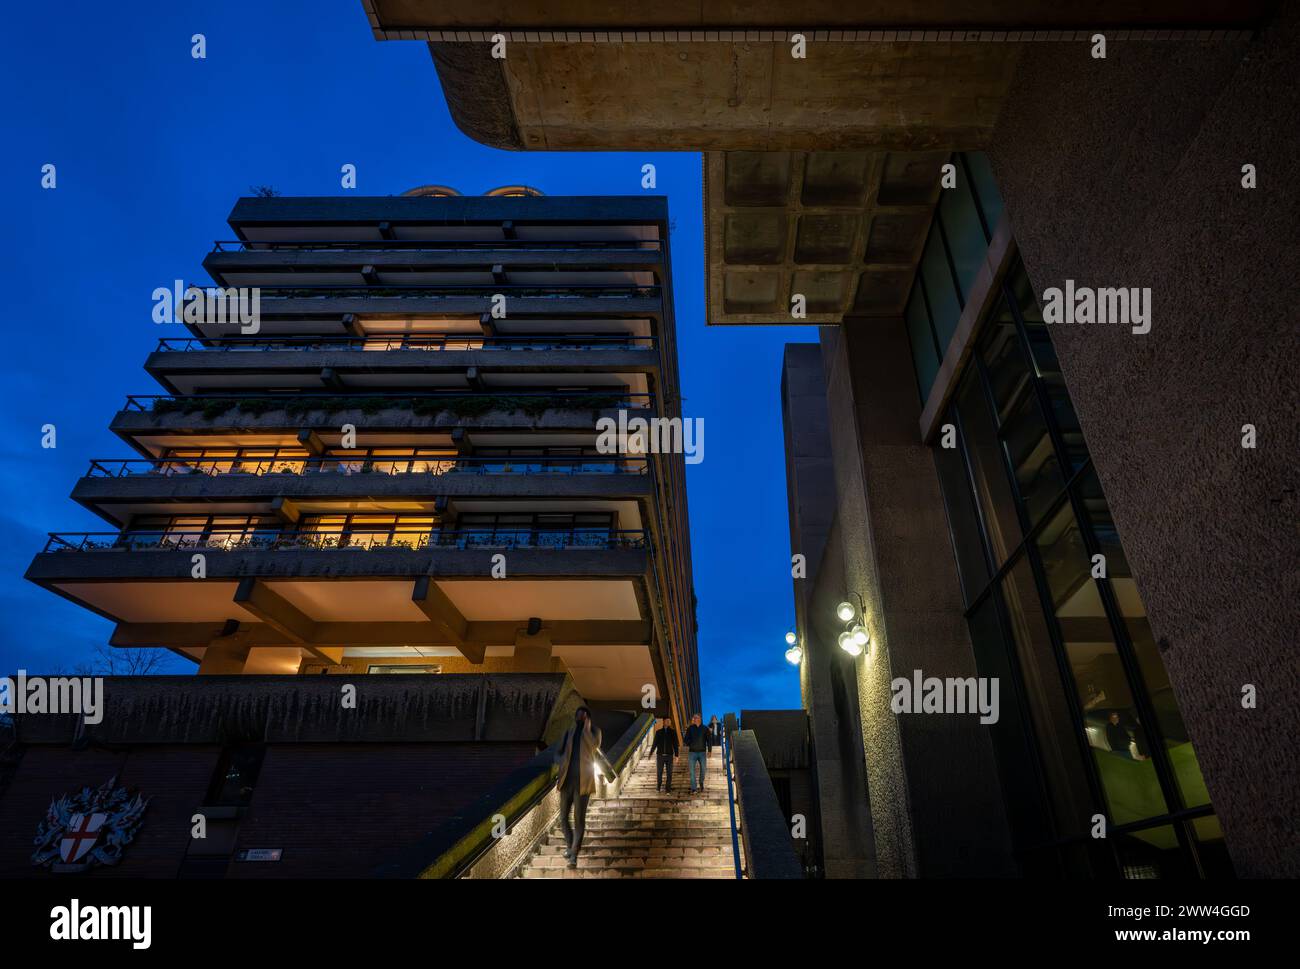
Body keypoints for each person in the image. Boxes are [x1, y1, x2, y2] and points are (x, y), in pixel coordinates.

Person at [555, 706, 607, 867]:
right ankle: (571, 847)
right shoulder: (568, 732)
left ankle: (573, 855)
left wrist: (586, 729)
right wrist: (561, 760)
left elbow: (594, 746)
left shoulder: (594, 732)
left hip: (583, 783)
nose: (580, 718)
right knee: (563, 817)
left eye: (583, 716)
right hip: (566, 781)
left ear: (588, 717)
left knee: (579, 819)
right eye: (578, 715)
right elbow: (558, 752)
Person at [651, 717, 679, 794]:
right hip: (660, 756)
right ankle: (658, 787)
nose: (668, 722)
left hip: (669, 756)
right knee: (659, 772)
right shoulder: (658, 732)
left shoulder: (673, 732)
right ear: (663, 722)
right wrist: (651, 753)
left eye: (669, 721)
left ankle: (668, 790)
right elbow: (654, 743)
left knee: (669, 773)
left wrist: (676, 755)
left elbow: (675, 744)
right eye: (667, 721)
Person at [683, 713, 709, 794]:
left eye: (697, 718)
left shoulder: (705, 728)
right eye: (694, 718)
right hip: (692, 753)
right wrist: (691, 743)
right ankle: (694, 788)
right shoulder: (690, 728)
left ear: (700, 719)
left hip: (702, 753)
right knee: (692, 771)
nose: (695, 719)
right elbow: (685, 739)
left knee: (703, 770)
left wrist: (710, 750)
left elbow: (709, 740)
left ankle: (701, 782)